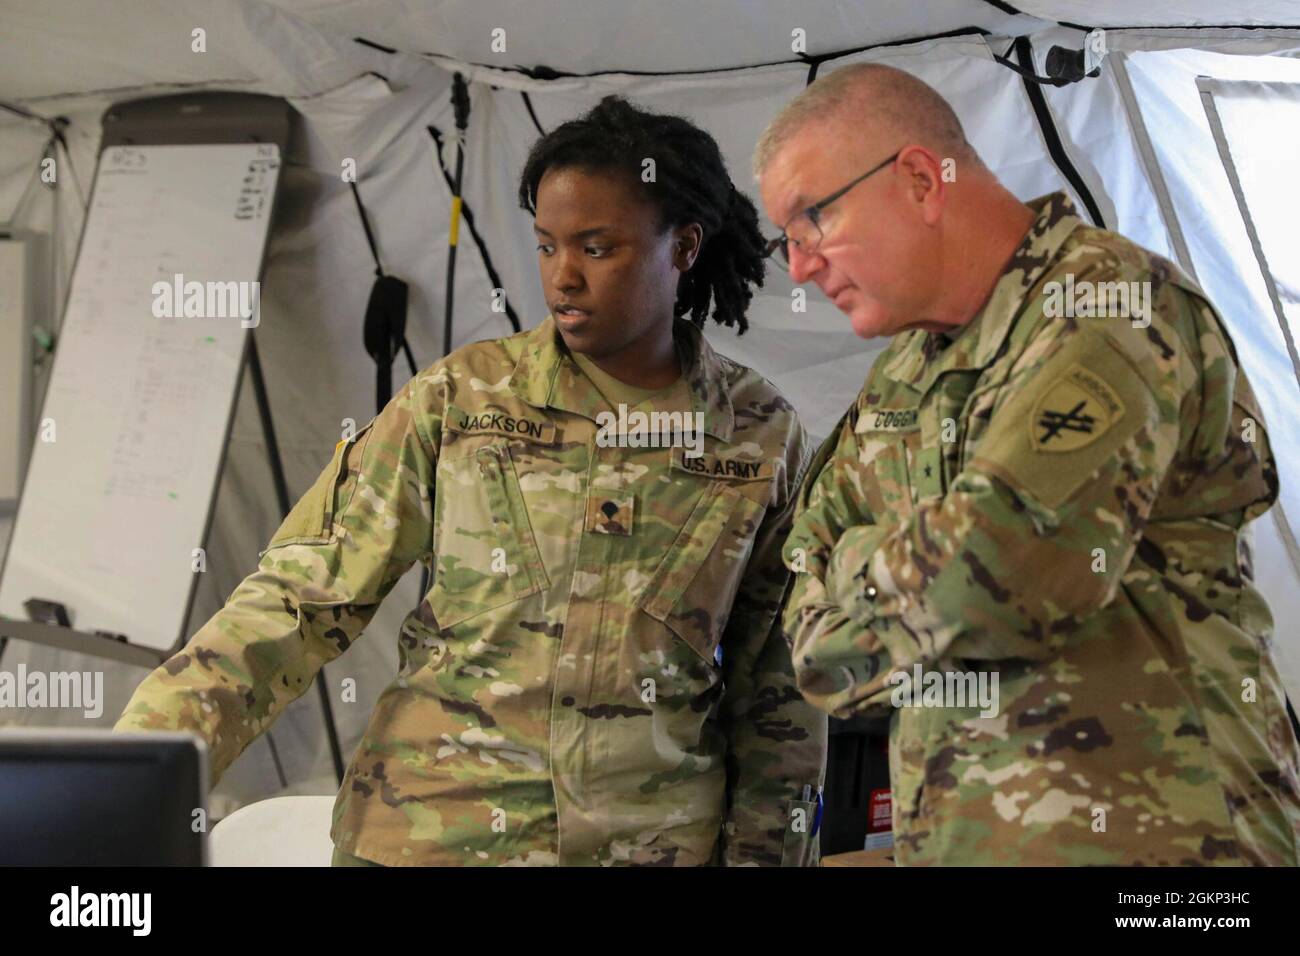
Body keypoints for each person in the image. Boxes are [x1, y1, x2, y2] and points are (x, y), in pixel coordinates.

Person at [114, 94, 826, 866]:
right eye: (547, 246)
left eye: (597, 247)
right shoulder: (464, 402)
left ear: (683, 247)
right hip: (434, 836)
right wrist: (133, 774)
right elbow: (298, 600)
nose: (564, 279)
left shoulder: (760, 435)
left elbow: (778, 686)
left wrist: (768, 854)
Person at [755, 62, 1300, 865]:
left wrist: (866, 568)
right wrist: (922, 571)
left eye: (814, 222)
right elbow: (804, 622)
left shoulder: (1109, 305)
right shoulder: (904, 374)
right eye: (788, 242)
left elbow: (1000, 576)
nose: (801, 267)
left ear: (917, 180)